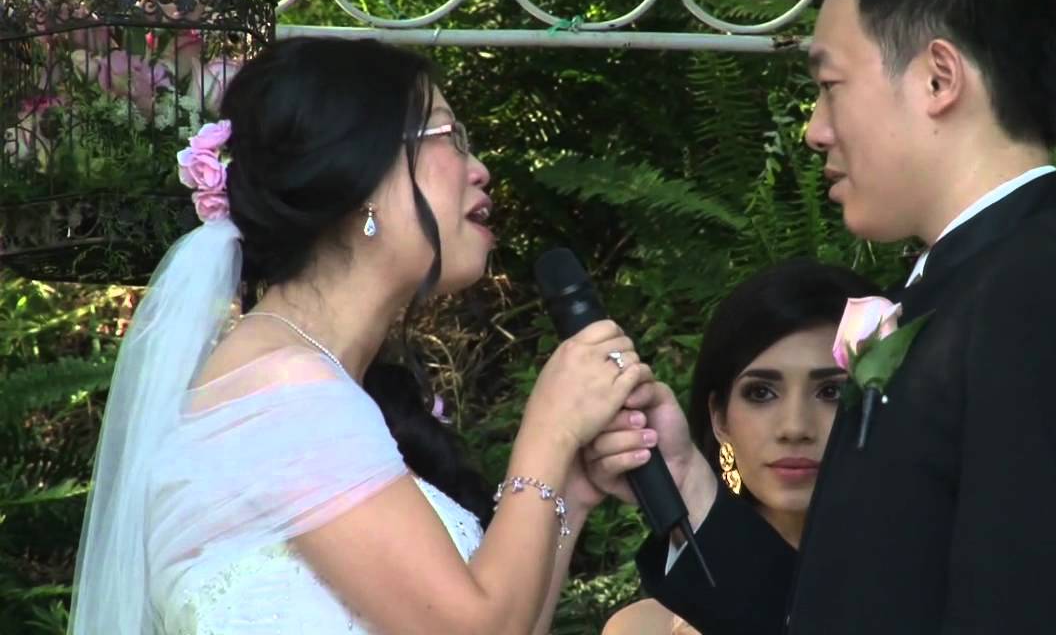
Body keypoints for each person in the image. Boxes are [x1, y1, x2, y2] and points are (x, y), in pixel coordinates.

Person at [584, 0, 1056, 633]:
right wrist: (686, 483)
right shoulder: (966, 283)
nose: (814, 128)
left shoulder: (1047, 289)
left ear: (937, 77)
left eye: (831, 84)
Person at [68, 37, 658, 635]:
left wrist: (571, 491)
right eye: (450, 137)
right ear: (360, 176)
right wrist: (550, 432)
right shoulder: (280, 390)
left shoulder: (312, 385)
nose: (480, 170)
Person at [603, 260, 879, 635]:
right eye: (761, 393)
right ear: (719, 418)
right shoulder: (641, 628)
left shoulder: (945, 591)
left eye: (831, 392)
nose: (794, 427)